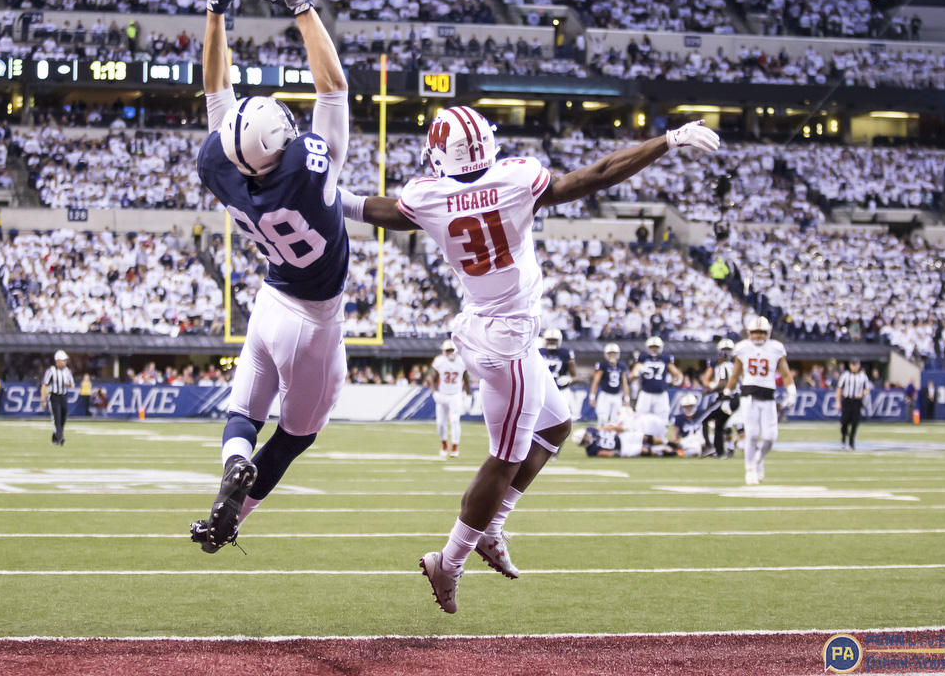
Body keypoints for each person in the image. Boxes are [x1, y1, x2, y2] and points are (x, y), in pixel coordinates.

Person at [341, 104, 720, 612]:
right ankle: (449, 562)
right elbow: (599, 175)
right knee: (505, 457)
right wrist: (667, 140)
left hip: (483, 326)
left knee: (558, 425)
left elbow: (374, 210)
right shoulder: (516, 179)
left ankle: (492, 526)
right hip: (509, 340)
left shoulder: (428, 196)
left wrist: (322, 193)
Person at [188, 0, 352, 556]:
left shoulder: (220, 165)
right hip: (313, 323)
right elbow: (332, 85)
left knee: (244, 413)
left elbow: (216, 90)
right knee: (292, 437)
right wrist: (301, 4)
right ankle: (238, 515)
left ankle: (231, 472)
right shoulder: (310, 170)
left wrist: (215, 15)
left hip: (269, 304)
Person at [726, 316, 796, 485]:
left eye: (761, 332)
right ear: (749, 333)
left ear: (768, 333)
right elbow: (735, 374)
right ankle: (749, 469)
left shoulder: (775, 348)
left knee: (771, 437)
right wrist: (726, 394)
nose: (757, 336)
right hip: (748, 395)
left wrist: (791, 391)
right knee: (752, 435)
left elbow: (785, 373)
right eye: (755, 332)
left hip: (768, 396)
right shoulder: (743, 348)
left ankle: (758, 459)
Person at [430, 339, 471, 458]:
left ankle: (454, 447)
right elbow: (433, 379)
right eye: (448, 351)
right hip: (442, 394)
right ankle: (444, 444)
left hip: (456, 395)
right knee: (440, 424)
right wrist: (435, 392)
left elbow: (466, 380)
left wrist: (468, 396)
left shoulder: (461, 361)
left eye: (452, 350)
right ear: (443, 351)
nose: (450, 353)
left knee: (454, 420)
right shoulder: (439, 361)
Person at [631, 336, 683, 425]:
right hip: (646, 393)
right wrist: (638, 371)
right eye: (652, 347)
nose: (654, 349)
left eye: (656, 347)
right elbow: (632, 375)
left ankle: (660, 438)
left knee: (662, 419)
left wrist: (676, 381)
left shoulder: (665, 358)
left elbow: (677, 374)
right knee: (641, 419)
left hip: (660, 394)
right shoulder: (643, 358)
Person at [700, 338, 738, 458]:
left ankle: (709, 445)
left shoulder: (723, 366)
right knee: (720, 424)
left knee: (704, 418)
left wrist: (710, 390)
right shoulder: (734, 365)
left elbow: (722, 383)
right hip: (736, 397)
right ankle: (721, 452)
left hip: (726, 397)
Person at [589, 343, 630, 427]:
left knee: (615, 420)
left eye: (614, 353)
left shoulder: (622, 366)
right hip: (605, 395)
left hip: (617, 395)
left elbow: (624, 383)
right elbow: (596, 381)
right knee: (602, 418)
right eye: (610, 353)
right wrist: (592, 396)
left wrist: (626, 398)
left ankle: (612, 439)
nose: (612, 355)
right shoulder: (602, 365)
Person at [835, 359, 872, 450]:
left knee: (855, 422)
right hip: (847, 400)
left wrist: (862, 393)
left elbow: (867, 389)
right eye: (852, 364)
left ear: (858, 365)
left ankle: (851, 442)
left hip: (857, 402)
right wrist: (837, 401)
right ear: (850, 365)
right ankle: (844, 437)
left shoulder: (862, 376)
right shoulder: (845, 375)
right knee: (844, 422)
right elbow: (839, 388)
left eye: (856, 365)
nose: (854, 366)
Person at [42, 350, 74, 445]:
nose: (65, 362)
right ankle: (61, 438)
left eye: (65, 360)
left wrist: (68, 384)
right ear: (57, 361)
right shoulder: (51, 371)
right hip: (54, 396)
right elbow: (45, 385)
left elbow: (72, 384)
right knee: (57, 417)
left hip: (64, 396)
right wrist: (43, 399)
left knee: (63, 418)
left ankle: (55, 438)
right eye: (63, 360)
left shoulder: (67, 371)